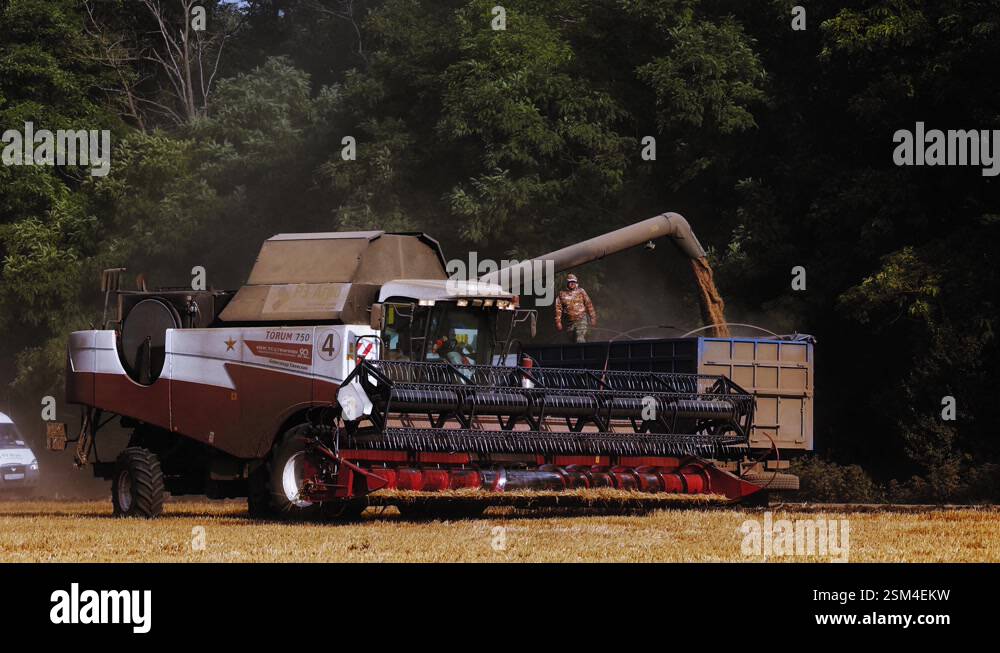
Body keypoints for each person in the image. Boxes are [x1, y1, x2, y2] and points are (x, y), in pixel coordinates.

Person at [554, 273, 597, 343]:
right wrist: (558, 322)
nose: (572, 284)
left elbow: (589, 304)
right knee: (572, 340)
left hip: (581, 319)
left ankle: (582, 352)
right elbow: (558, 308)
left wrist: (593, 317)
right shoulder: (562, 294)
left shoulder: (581, 291)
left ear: (576, 283)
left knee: (580, 338)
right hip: (569, 322)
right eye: (570, 282)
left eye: (573, 282)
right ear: (567, 283)